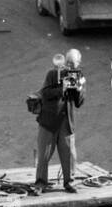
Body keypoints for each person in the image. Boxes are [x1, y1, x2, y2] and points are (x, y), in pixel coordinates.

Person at [33, 50, 85, 193]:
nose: (70, 67)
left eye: (73, 65)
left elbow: (79, 103)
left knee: (68, 153)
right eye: (68, 63)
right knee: (44, 154)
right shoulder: (52, 74)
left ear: (78, 64)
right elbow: (45, 94)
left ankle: (69, 182)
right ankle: (40, 183)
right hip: (48, 121)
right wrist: (61, 88)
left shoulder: (77, 76)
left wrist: (79, 88)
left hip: (66, 122)